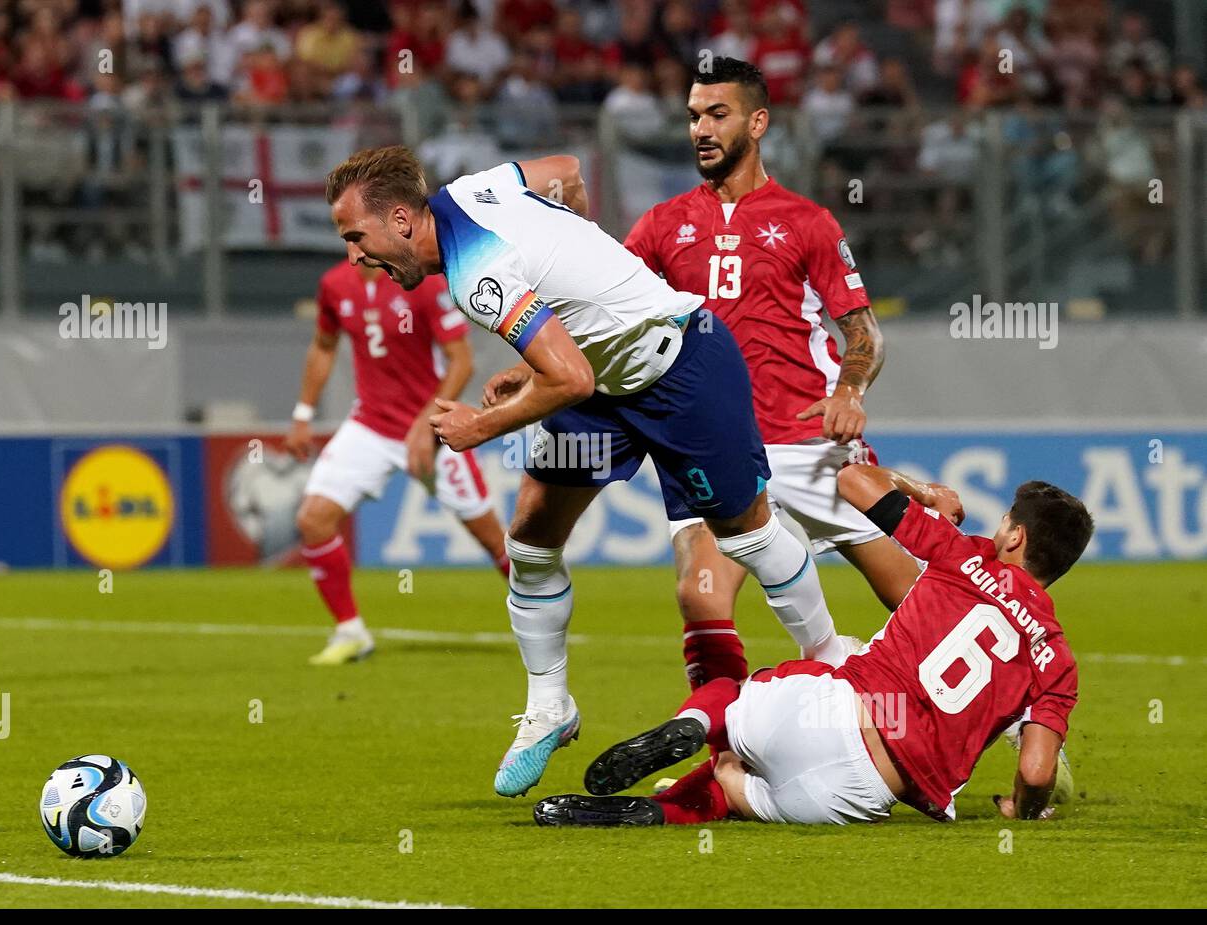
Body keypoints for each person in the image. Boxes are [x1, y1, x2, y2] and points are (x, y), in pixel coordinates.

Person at [325, 144, 855, 797]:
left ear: (401, 220)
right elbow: (569, 170)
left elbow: (567, 377)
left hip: (681, 367)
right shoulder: (476, 187)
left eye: (356, 236)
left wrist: (478, 428)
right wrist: (577, 270)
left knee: (747, 533)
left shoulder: (477, 278)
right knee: (530, 537)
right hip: (605, 393)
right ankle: (550, 706)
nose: (353, 256)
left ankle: (833, 659)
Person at [535, 464, 1094, 827]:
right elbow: (1039, 770)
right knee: (729, 792)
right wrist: (1023, 809)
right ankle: (652, 812)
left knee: (731, 696)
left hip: (834, 714)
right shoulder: (1059, 660)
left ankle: (696, 727)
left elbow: (852, 479)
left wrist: (921, 492)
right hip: (859, 793)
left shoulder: (964, 554)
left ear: (1014, 536)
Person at [623, 57, 920, 700]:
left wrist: (848, 391)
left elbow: (864, 335)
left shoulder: (808, 222)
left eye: (717, 114)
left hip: (808, 444)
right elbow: (603, 313)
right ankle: (719, 757)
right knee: (700, 595)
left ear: (758, 122)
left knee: (917, 599)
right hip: (713, 448)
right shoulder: (659, 226)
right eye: (694, 116)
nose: (701, 128)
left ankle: (1018, 722)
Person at [287, 260, 509, 666]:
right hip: (370, 425)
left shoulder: (422, 285)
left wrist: (426, 426)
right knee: (312, 519)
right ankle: (350, 632)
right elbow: (323, 345)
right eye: (346, 235)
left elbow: (461, 361)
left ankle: (545, 621)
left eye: (359, 233)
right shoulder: (335, 284)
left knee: (494, 540)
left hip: (431, 429)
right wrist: (303, 414)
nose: (355, 246)